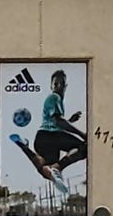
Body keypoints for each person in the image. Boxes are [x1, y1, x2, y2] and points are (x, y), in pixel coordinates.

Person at [12, 68, 85, 196]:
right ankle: (58, 167)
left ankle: (25, 146)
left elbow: (56, 122)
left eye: (61, 84)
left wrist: (69, 121)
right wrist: (82, 134)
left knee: (46, 170)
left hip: (41, 139)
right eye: (56, 84)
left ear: (65, 86)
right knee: (84, 147)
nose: (59, 87)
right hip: (51, 136)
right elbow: (58, 122)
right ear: (51, 86)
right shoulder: (54, 97)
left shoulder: (56, 101)